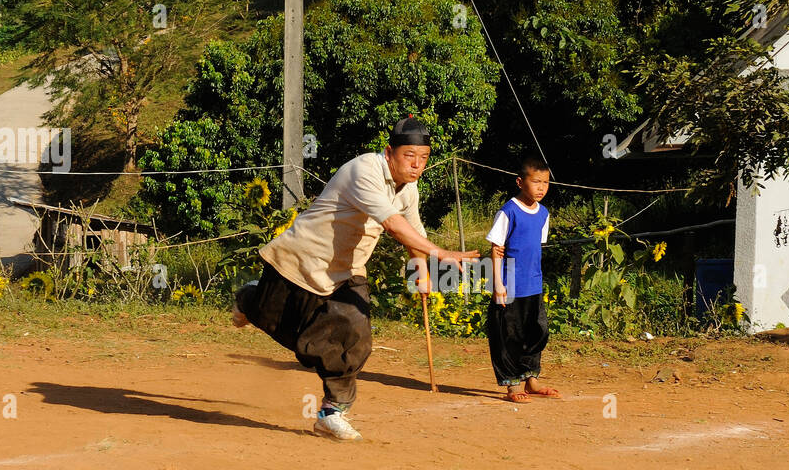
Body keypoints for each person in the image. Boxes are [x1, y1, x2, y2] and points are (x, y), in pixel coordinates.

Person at [233, 116, 478, 441]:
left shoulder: (409, 189)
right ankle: (251, 299)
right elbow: (392, 225)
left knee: (356, 336)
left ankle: (331, 413)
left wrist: (420, 270)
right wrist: (440, 254)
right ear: (389, 152)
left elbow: (412, 228)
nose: (417, 165)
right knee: (278, 324)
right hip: (301, 258)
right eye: (409, 156)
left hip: (347, 271)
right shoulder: (364, 171)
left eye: (424, 158)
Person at [486, 155, 559, 403]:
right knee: (509, 335)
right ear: (520, 182)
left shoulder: (544, 213)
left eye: (546, 183)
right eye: (536, 182)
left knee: (536, 331)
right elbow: (496, 250)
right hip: (510, 285)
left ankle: (531, 379)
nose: (541, 187)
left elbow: (535, 248)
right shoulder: (508, 211)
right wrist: (498, 285)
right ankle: (512, 385)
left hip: (533, 284)